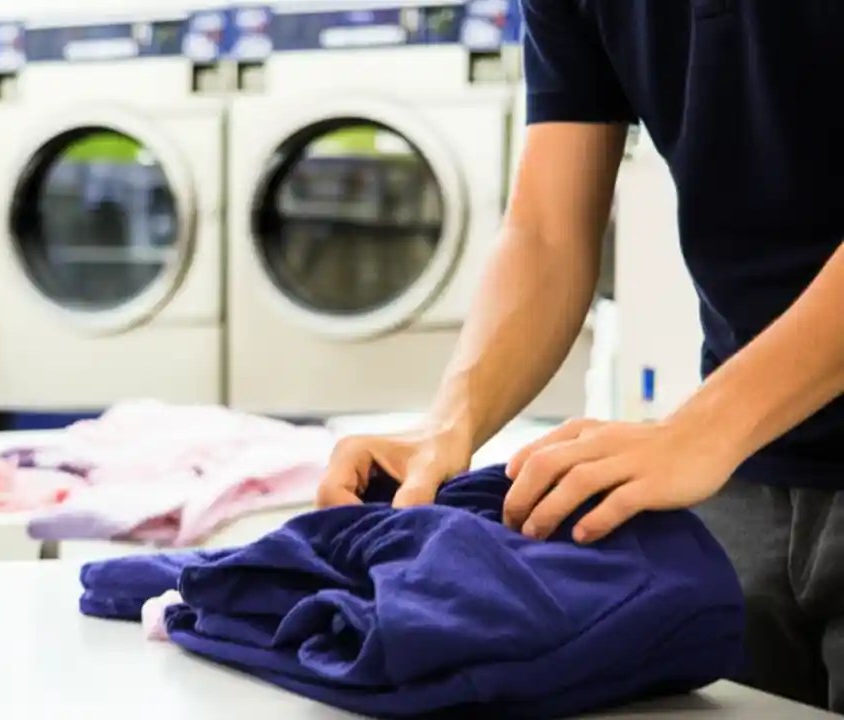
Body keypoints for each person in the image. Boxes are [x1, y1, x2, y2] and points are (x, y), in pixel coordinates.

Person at [316, 1, 844, 711]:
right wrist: (450, 424)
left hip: (730, 430)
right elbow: (546, 233)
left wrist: (699, 432)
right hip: (747, 459)